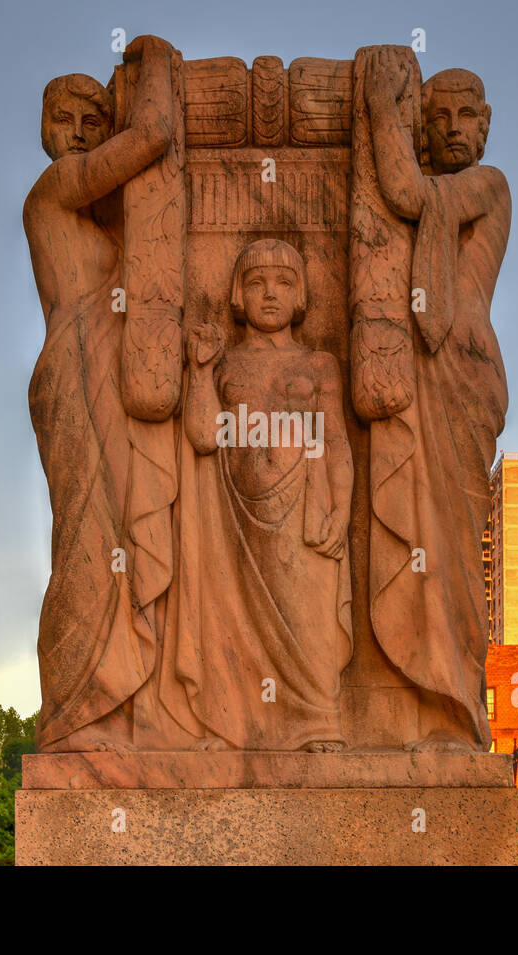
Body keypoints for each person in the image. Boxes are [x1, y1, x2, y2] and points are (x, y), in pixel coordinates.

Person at [24, 35, 178, 752]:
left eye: (93, 121)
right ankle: (77, 706)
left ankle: (131, 693)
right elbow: (153, 136)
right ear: (45, 127)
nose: (80, 134)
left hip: (111, 373)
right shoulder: (52, 192)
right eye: (67, 119)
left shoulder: (108, 218)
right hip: (74, 372)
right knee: (86, 537)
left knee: (123, 528)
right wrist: (153, 62)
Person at [361, 49, 511, 751]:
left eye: (467, 114)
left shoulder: (487, 185)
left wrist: (381, 108)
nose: (453, 126)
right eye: (437, 114)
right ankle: (411, 688)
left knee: (450, 543)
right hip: (421, 365)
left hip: (462, 368)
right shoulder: (437, 199)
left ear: (487, 124)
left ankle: (452, 701)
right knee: (416, 529)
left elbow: (405, 193)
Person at [161, 239, 354, 751]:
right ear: (237, 296)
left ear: (301, 298)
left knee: (307, 620)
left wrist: (343, 509)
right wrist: (200, 372)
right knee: (232, 618)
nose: (270, 294)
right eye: (256, 283)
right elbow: (204, 437)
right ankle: (233, 725)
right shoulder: (226, 365)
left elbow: (335, 441)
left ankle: (318, 725)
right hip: (234, 518)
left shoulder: (319, 365)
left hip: (306, 514)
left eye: (284, 283)